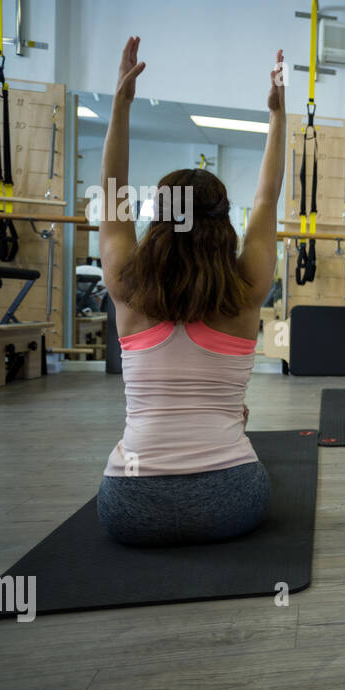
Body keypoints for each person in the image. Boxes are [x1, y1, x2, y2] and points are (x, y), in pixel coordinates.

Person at [95, 37, 285, 546]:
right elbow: (267, 199)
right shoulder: (246, 290)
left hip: (130, 507)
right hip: (234, 500)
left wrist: (121, 102)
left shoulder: (125, 285)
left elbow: (113, 193)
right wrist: (277, 118)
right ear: (225, 224)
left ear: (158, 218)